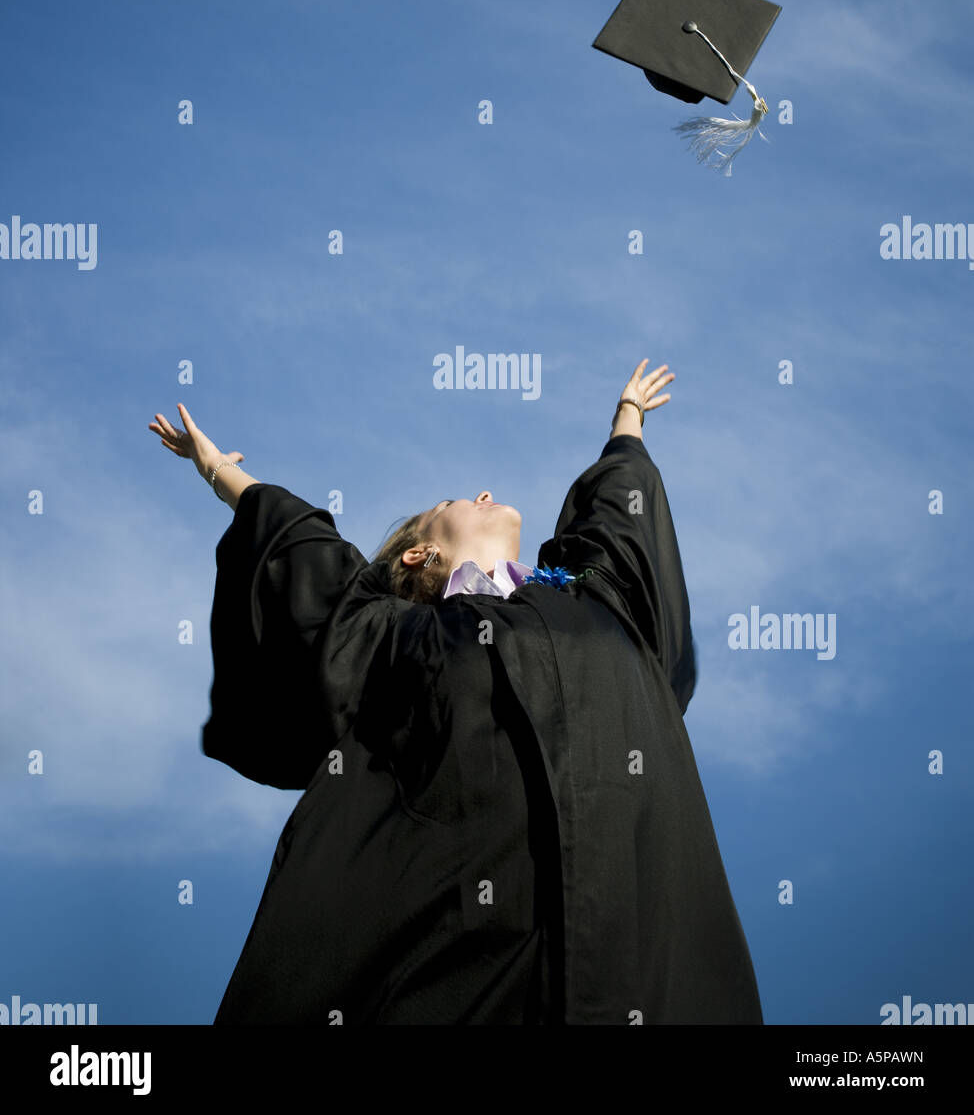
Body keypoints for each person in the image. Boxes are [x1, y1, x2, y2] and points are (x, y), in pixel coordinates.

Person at [149, 359, 763, 1025]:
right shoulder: (391, 637)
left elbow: (620, 522)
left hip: (625, 948)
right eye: (449, 504)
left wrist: (627, 423)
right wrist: (219, 472)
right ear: (418, 555)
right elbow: (303, 546)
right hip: (450, 945)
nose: (480, 491)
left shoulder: (599, 601)